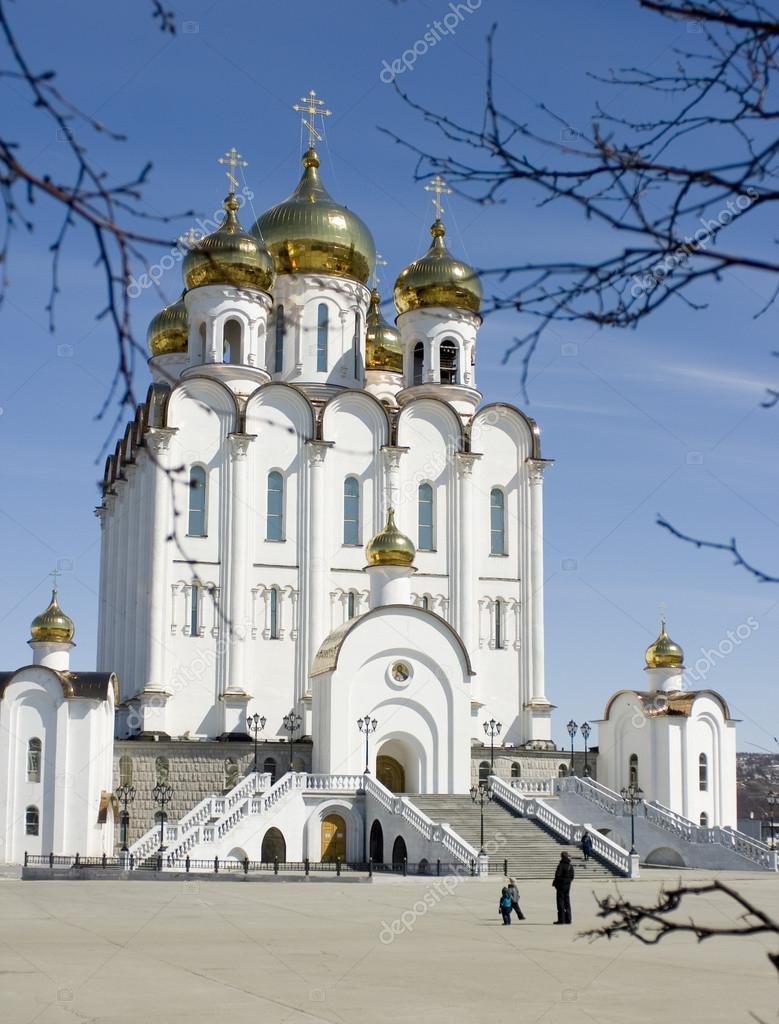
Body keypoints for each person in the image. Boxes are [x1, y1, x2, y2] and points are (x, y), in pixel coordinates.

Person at [552, 851, 575, 924]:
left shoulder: (561, 865)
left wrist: (556, 884)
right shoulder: (570, 866)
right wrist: (567, 881)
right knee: (567, 902)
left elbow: (557, 876)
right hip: (568, 886)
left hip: (561, 886)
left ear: (562, 857)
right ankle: (568, 919)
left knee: (560, 903)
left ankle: (561, 919)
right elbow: (572, 877)